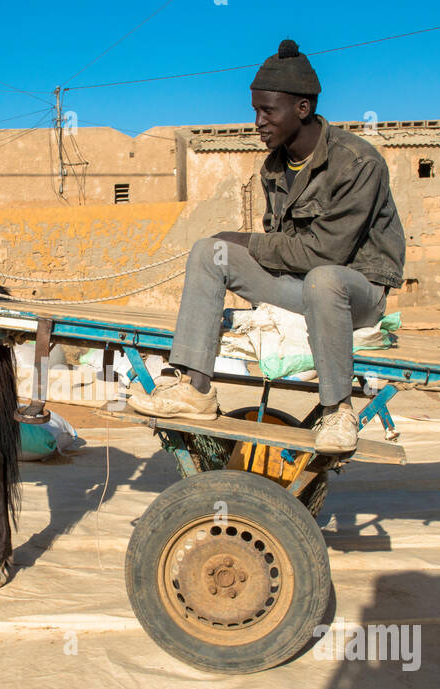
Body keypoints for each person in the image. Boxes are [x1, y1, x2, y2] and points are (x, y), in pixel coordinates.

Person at [128, 39, 405, 454]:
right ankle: (195, 389)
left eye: (267, 111)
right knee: (210, 251)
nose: (258, 121)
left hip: (355, 295)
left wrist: (246, 241)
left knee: (325, 280)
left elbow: (326, 254)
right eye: (255, 110)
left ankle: (337, 410)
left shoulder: (357, 163)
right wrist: (238, 250)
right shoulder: (273, 167)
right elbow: (282, 249)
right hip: (302, 288)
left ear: (302, 109)